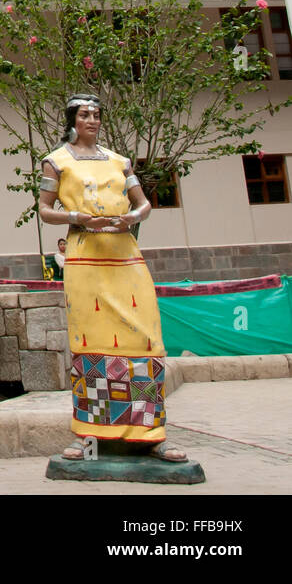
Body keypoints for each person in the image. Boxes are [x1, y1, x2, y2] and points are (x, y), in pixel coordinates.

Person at [38, 93, 186, 463]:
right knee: (89, 340)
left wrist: (133, 218)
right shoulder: (55, 162)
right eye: (85, 114)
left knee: (145, 338)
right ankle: (89, 436)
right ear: (72, 119)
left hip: (125, 253)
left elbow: (143, 203)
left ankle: (152, 434)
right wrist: (77, 217)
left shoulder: (120, 161)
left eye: (97, 114)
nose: (92, 120)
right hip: (86, 256)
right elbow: (44, 210)